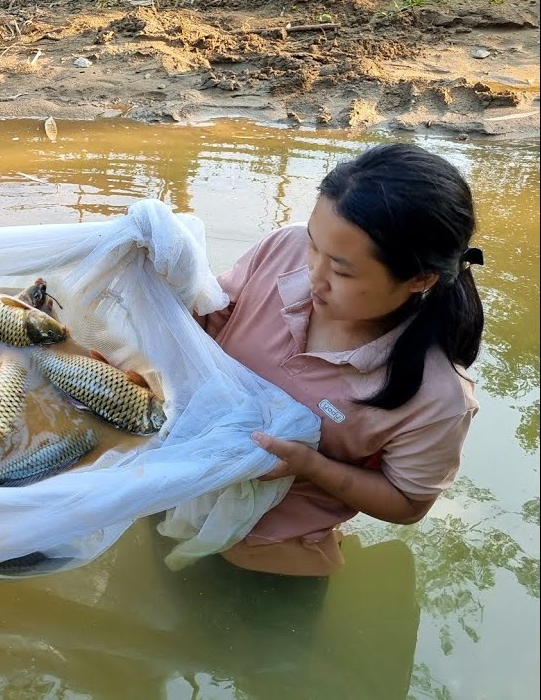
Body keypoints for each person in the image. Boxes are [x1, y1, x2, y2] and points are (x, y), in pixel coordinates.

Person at [200, 142, 484, 577]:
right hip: (178, 490)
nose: (314, 274)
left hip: (270, 553)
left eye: (343, 271)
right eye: (315, 247)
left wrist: (311, 466)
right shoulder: (284, 248)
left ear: (419, 279)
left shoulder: (437, 398)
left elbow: (408, 503)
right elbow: (209, 319)